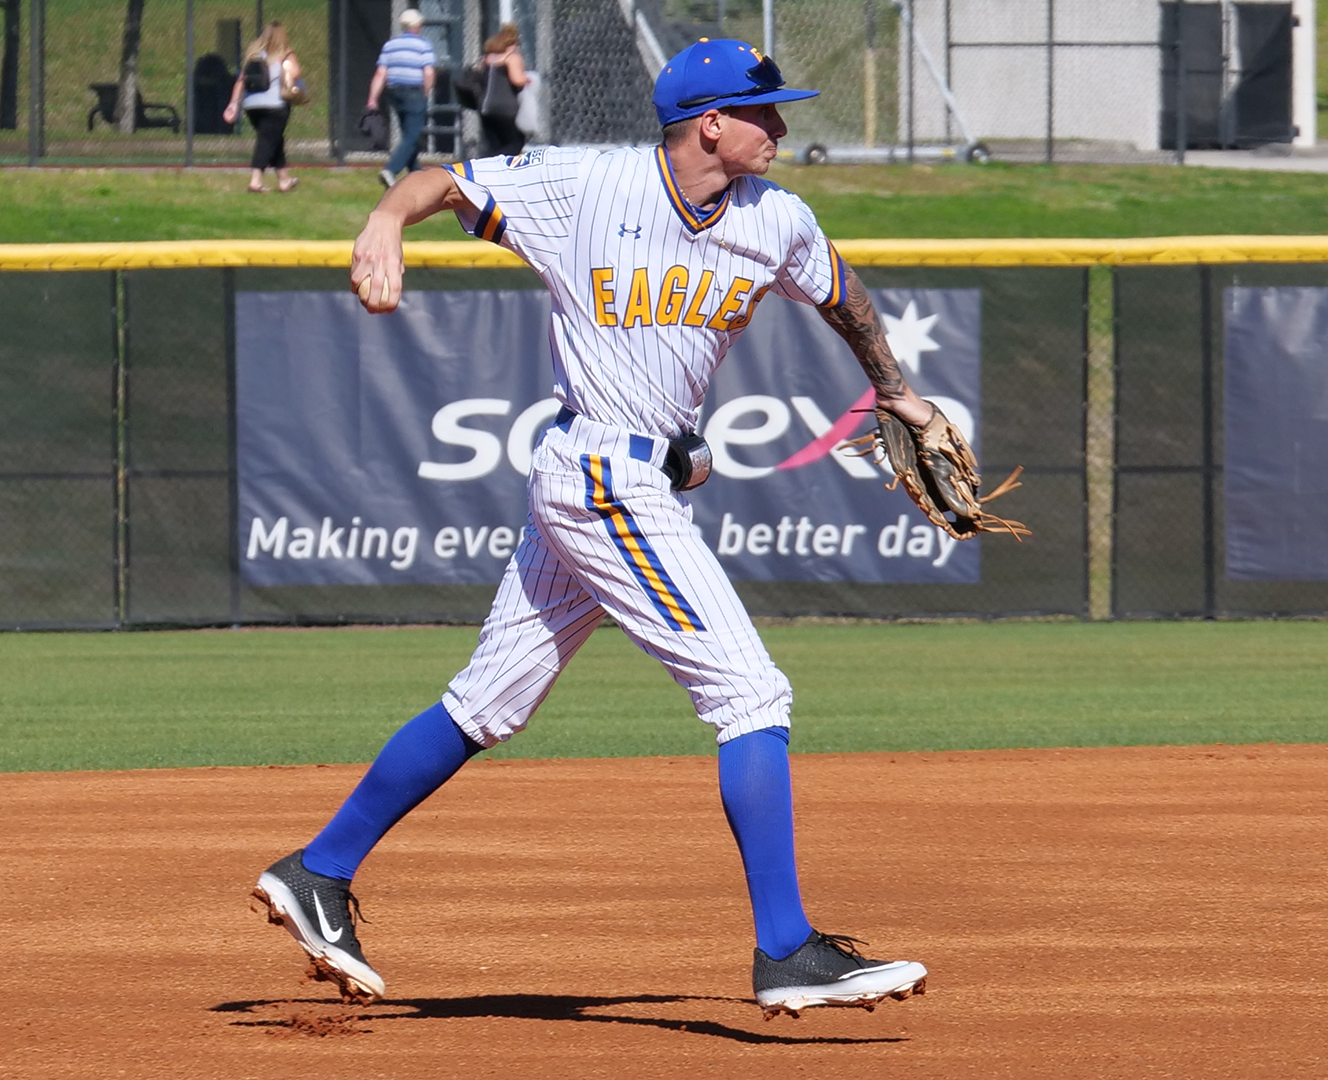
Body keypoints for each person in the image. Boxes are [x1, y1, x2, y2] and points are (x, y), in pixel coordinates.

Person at [252, 39, 934, 1020]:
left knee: (490, 702)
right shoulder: (587, 187)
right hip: (601, 475)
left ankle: (319, 870)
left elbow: (842, 292)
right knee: (750, 694)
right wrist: (384, 219)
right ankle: (786, 948)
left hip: (633, 473)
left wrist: (896, 391)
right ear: (710, 124)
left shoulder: (775, 217)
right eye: (764, 112)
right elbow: (443, 181)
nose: (781, 126)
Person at [222, 21, 300, 193]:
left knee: (273, 139)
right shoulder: (284, 53)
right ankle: (255, 181)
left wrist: (233, 104)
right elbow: (295, 73)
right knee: (267, 141)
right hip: (276, 105)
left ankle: (284, 180)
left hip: (252, 107)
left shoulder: (254, 55)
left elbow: (241, 81)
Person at [367, 8, 438, 189]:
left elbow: (381, 73)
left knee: (409, 134)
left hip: (394, 92)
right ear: (418, 25)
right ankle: (391, 170)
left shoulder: (391, 45)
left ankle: (417, 175)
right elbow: (429, 72)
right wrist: (426, 91)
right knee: (413, 135)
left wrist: (372, 99)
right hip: (414, 91)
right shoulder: (423, 44)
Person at [474, 24, 529, 157]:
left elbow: (479, 75)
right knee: (515, 142)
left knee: (493, 143)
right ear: (512, 43)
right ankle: (497, 163)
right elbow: (517, 79)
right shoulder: (512, 57)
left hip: (485, 107)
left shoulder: (487, 58)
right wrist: (528, 79)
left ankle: (488, 163)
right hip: (505, 108)